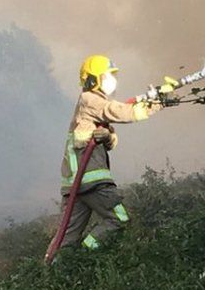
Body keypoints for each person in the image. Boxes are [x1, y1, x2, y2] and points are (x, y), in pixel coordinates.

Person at [59, 54, 163, 250]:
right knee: (119, 219)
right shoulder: (89, 99)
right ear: (94, 79)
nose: (112, 80)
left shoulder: (94, 108)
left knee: (66, 240)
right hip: (90, 181)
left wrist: (106, 136)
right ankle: (87, 254)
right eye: (107, 75)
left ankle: (59, 270)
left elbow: (110, 140)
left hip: (77, 184)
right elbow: (120, 112)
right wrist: (154, 105)